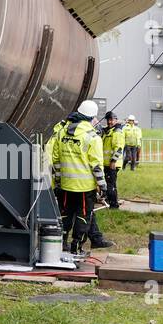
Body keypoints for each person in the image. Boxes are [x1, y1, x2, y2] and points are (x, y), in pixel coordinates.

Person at [50, 100, 112, 254]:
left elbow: (56, 159)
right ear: (92, 117)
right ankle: (76, 247)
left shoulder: (62, 132)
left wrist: (58, 180)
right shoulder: (92, 137)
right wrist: (103, 186)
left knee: (65, 214)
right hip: (85, 188)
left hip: (65, 185)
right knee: (83, 217)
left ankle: (60, 243)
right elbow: (96, 165)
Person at [100, 110, 125, 208]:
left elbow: (119, 148)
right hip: (106, 163)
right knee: (108, 184)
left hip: (112, 164)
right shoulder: (108, 131)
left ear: (116, 120)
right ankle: (110, 200)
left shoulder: (116, 132)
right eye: (108, 120)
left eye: (111, 120)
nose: (109, 122)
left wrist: (113, 161)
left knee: (111, 185)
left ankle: (114, 205)